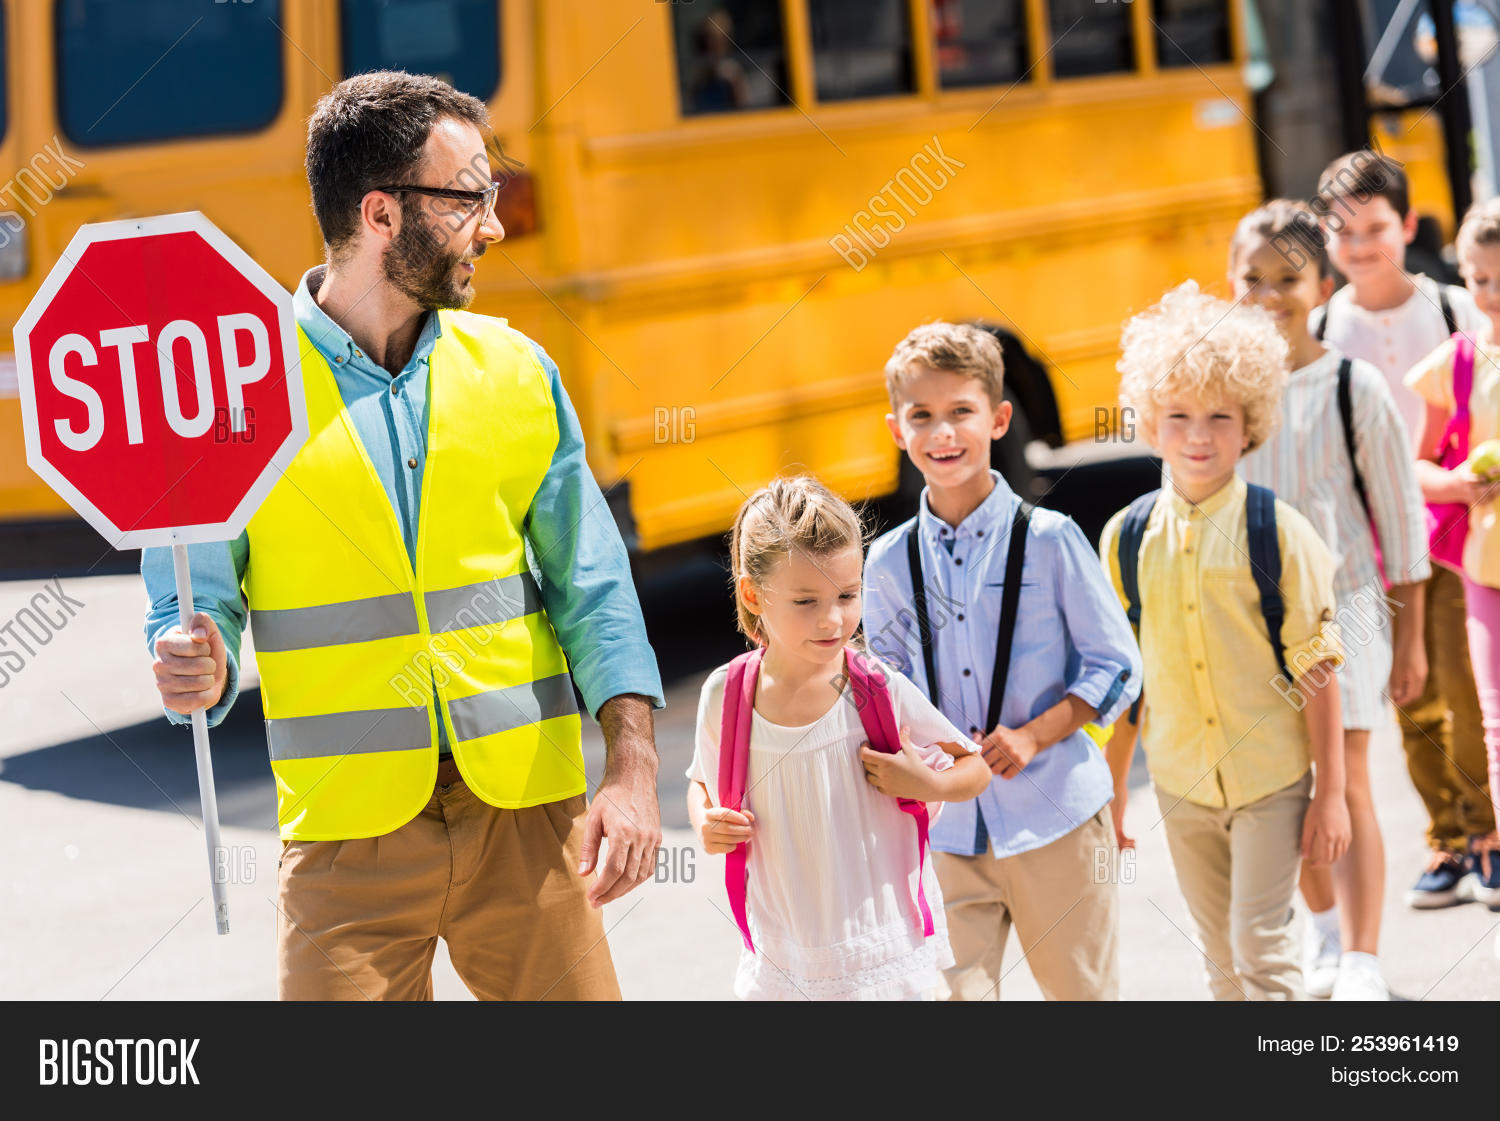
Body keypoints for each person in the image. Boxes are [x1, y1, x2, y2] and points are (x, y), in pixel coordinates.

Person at [143, 72, 664, 1000]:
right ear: (381, 213)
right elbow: (194, 604)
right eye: (467, 198)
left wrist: (632, 767)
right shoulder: (231, 397)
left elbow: (595, 588)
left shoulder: (517, 371)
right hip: (347, 840)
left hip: (525, 816)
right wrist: (198, 662)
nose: (491, 226)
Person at [862, 322, 1141, 1001]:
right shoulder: (888, 561)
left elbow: (1117, 665)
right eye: (921, 415)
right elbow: (883, 691)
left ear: (998, 418)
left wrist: (1034, 735)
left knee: (1083, 998)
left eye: (961, 410)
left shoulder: (1051, 539)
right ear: (897, 430)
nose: (942, 432)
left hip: (1056, 820)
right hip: (947, 836)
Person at [1100, 281, 1351, 1001]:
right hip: (1181, 787)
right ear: (1151, 423)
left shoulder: (1280, 532)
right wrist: (1114, 795)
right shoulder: (1125, 539)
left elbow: (1318, 671)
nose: (1199, 435)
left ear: (1251, 425)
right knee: (1219, 959)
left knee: (1259, 948)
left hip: (1272, 782)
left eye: (1220, 416)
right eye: (1178, 416)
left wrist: (1330, 795)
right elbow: (1125, 684)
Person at [1231, 200, 1431, 1000]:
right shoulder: (1223, 395)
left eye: (1287, 278)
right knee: (1284, 791)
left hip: (1347, 611)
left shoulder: (1355, 387)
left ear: (1321, 286)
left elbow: (1402, 521)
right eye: (1252, 278)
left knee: (1341, 779)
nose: (1268, 294)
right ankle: (1321, 933)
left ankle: (1363, 957)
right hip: (1250, 621)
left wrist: (1411, 640)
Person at [688, 476, 990, 1000]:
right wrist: (704, 823)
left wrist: (927, 783)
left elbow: (975, 768)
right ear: (753, 594)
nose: (833, 620)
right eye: (806, 601)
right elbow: (701, 782)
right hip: (785, 955)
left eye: (848, 595)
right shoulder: (726, 695)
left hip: (881, 957)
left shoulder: (876, 690)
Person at [1311, 153, 1493, 933]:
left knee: (1463, 681)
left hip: (1450, 531)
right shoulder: (1323, 327)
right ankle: (1447, 838)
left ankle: (1486, 831)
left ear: (1408, 226)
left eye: (1376, 228)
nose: (1360, 246)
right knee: (1406, 694)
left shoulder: (1454, 308)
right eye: (1343, 231)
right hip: (1364, 541)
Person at [1405, 198, 1500, 942]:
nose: (1492, 294)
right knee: (1493, 716)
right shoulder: (1458, 361)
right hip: (1485, 566)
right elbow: (1417, 466)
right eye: (1480, 279)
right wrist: (1461, 481)